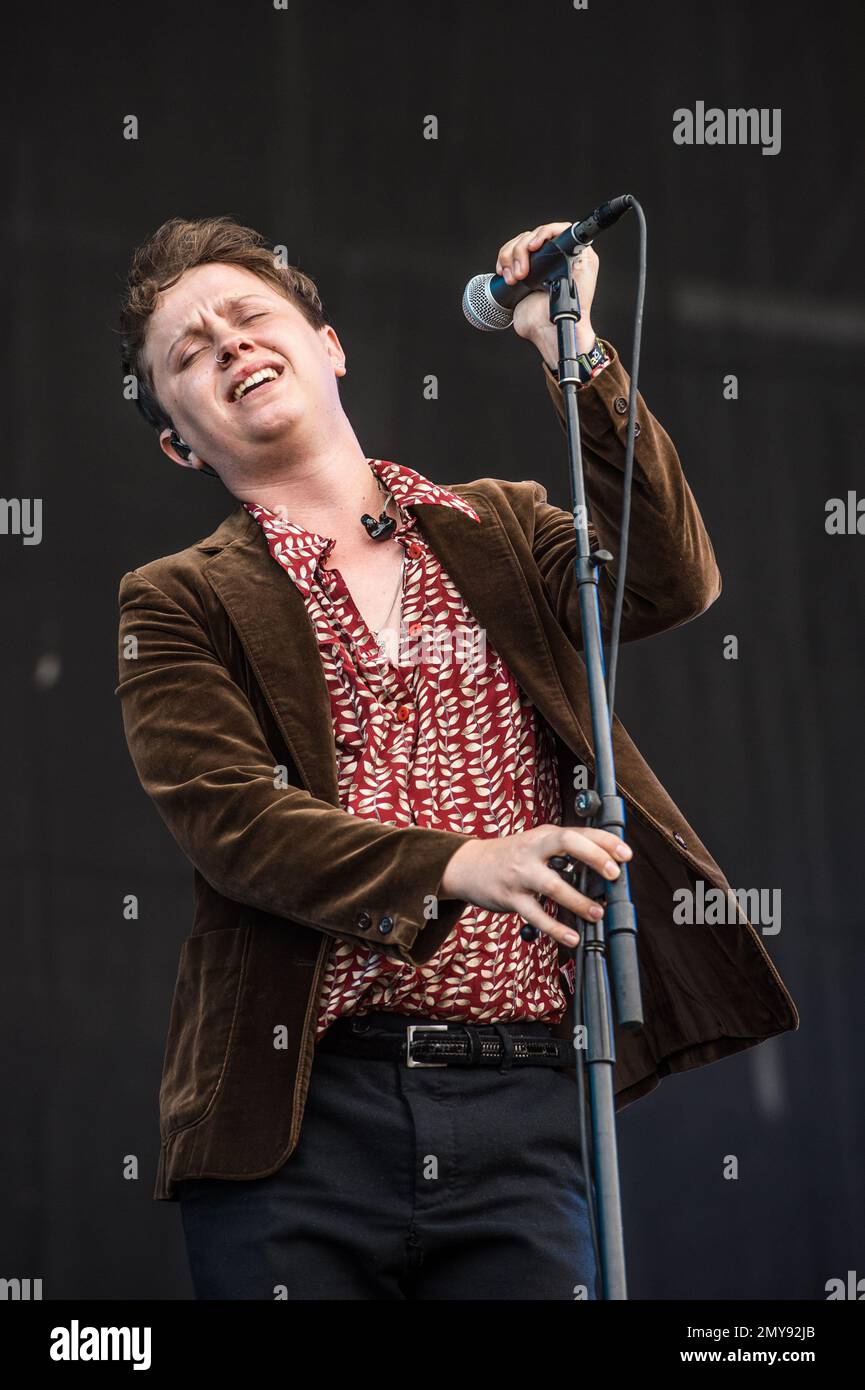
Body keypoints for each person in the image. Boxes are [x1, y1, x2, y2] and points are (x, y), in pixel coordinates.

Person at [115, 216, 798, 1300]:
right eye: (189, 354)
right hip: (298, 1122)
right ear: (178, 442)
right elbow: (233, 823)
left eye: (248, 317)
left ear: (329, 345)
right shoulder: (178, 598)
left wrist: (570, 352)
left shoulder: (500, 527)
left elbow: (670, 579)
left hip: (526, 1110)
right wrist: (456, 861)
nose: (229, 345)